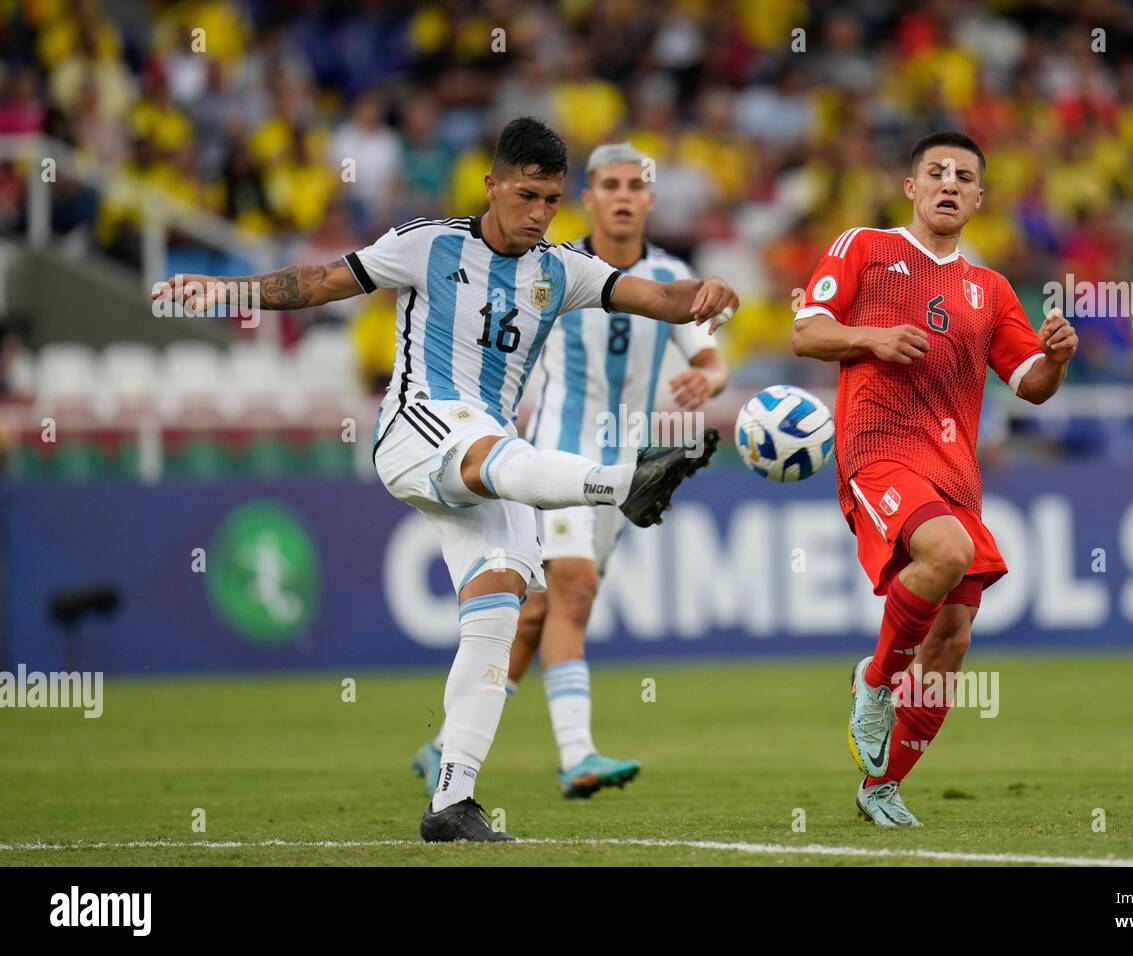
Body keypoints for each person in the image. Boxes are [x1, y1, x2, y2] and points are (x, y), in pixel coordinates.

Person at [153, 117, 739, 842]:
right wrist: (227, 291)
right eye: (526, 194)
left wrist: (708, 294)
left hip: (487, 456)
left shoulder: (559, 271)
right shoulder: (428, 245)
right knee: (501, 454)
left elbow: (662, 301)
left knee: (501, 605)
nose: (537, 213)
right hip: (417, 429)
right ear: (492, 185)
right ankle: (624, 484)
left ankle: (452, 798)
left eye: (551, 200)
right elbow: (319, 283)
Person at [414, 143, 729, 800]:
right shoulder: (552, 270)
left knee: (536, 617)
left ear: (649, 198)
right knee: (576, 592)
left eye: (634, 186)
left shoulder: (670, 274)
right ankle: (578, 756)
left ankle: (447, 745)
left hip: (627, 469)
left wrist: (706, 377)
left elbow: (709, 354)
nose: (621, 196)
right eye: (608, 184)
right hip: (554, 459)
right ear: (590, 196)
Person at [791, 131, 1077, 827]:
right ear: (911, 188)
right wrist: (873, 338)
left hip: (955, 477)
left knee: (951, 640)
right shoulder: (863, 247)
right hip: (879, 450)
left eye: (964, 176)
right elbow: (807, 332)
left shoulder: (991, 288)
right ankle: (876, 679)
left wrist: (1059, 358)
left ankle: (881, 787)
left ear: (979, 198)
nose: (949, 183)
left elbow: (1029, 383)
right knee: (944, 553)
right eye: (935, 172)